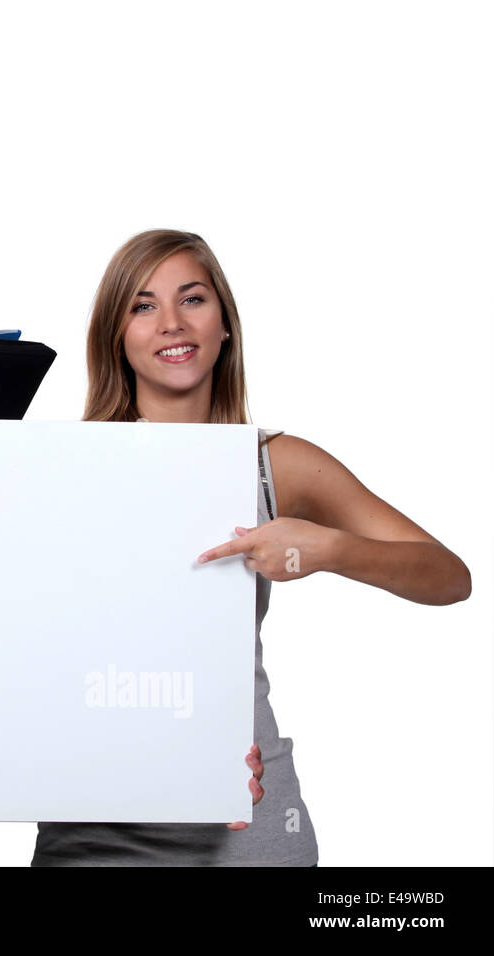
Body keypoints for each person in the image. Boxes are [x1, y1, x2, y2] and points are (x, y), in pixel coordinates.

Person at [33, 229, 471, 866]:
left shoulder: (275, 466)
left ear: (225, 325)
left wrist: (327, 548)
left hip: (249, 820)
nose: (173, 324)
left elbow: (448, 576)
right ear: (115, 336)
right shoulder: (58, 470)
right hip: (97, 823)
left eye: (193, 299)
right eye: (143, 306)